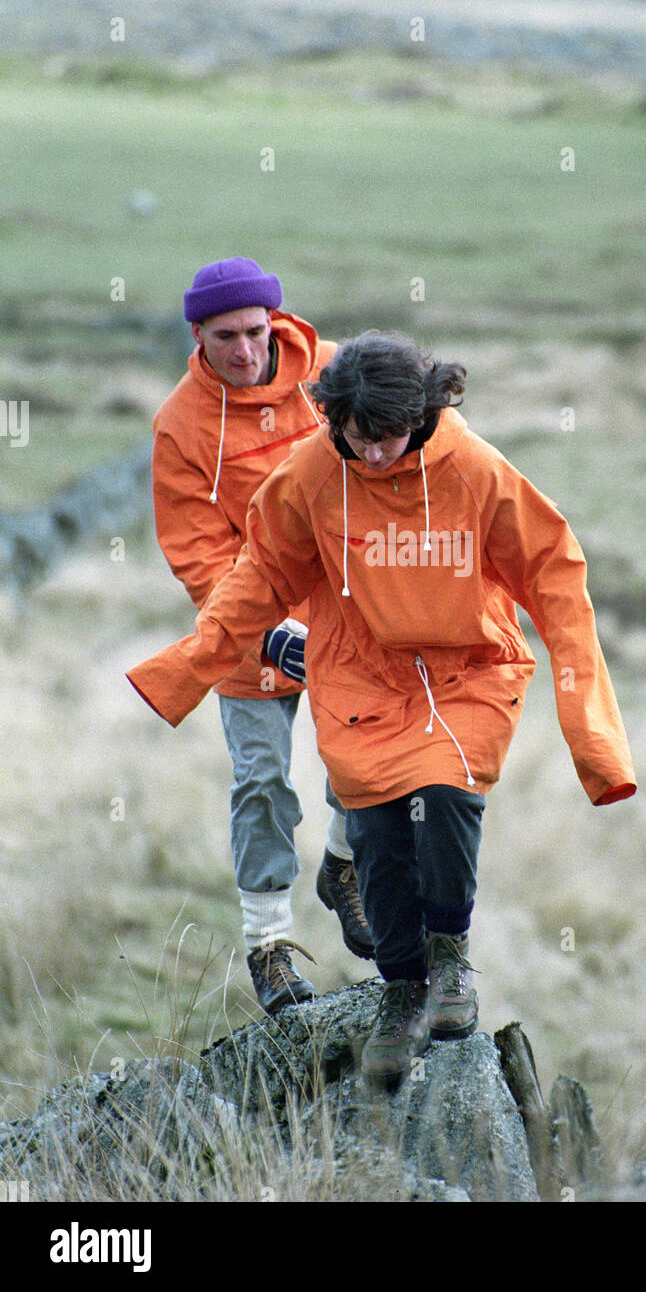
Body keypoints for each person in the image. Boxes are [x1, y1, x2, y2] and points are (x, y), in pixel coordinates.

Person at [127, 330, 636, 1086]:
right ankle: (401, 990)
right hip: (360, 679)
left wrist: (591, 733)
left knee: (446, 794)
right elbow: (258, 576)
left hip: (467, 671)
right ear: (333, 419)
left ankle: (450, 957)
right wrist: (189, 666)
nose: (370, 454)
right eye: (356, 437)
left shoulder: (476, 471)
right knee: (377, 829)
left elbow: (555, 574)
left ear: (422, 414)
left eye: (386, 437)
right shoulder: (311, 474)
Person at [150, 258, 373, 1018]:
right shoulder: (180, 425)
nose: (244, 351)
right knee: (263, 785)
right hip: (250, 633)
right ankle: (269, 944)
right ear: (198, 336)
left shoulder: (336, 375)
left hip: (348, 616)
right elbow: (197, 553)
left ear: (274, 322)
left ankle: (343, 866)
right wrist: (268, 632)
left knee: (369, 759)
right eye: (226, 338)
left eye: (254, 332)